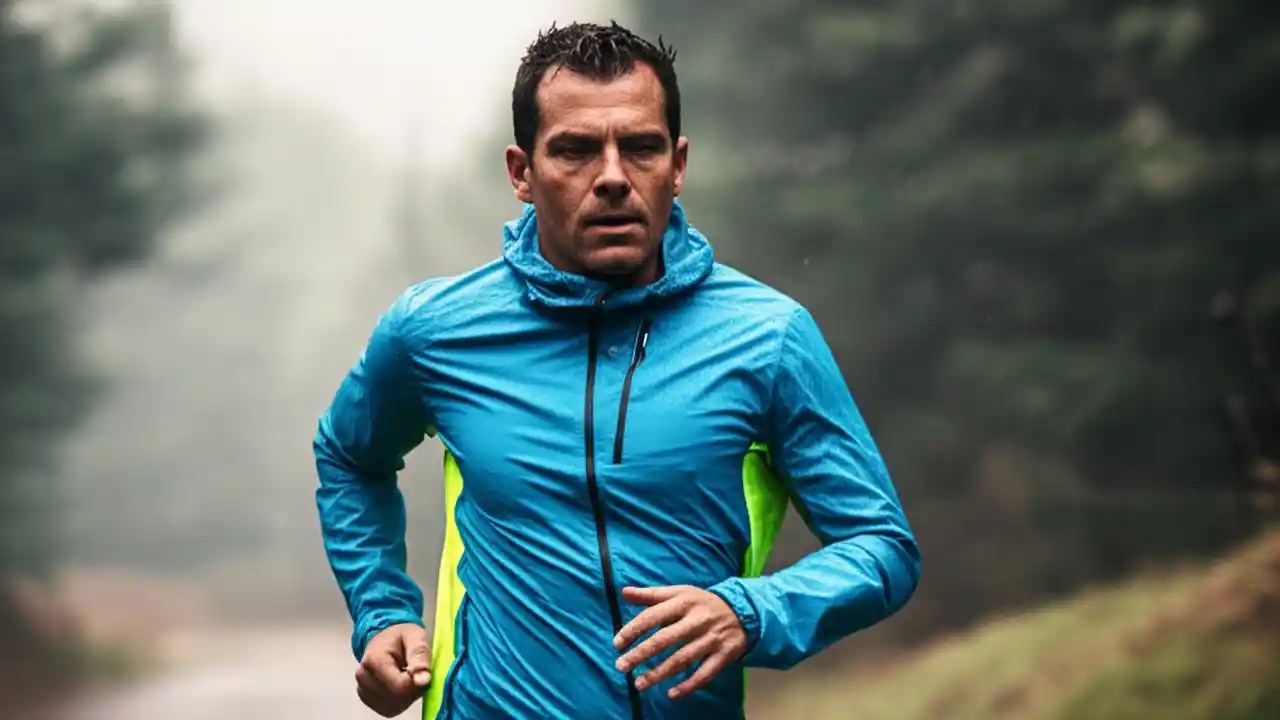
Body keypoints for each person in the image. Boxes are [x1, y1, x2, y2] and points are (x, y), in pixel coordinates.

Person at [314, 20, 919, 720]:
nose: (611, 178)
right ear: (521, 173)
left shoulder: (767, 337)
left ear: (678, 163)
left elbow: (882, 549)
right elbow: (348, 455)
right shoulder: (435, 330)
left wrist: (750, 611)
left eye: (640, 148)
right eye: (574, 151)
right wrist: (382, 610)